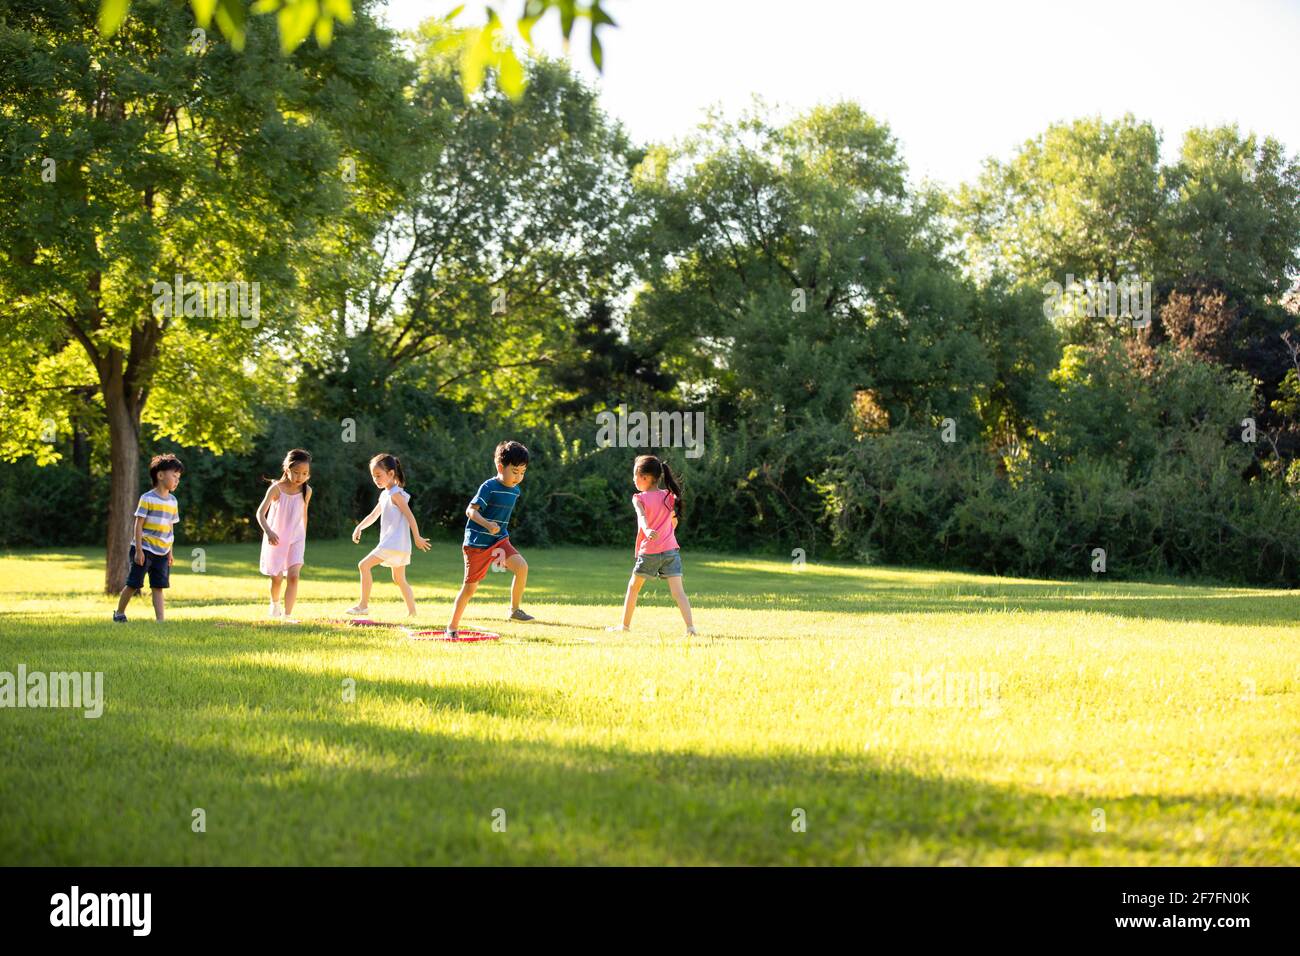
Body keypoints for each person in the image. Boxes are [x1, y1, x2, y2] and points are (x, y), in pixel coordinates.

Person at [446, 440, 533, 639]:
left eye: (522, 472)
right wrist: (487, 524)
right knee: (469, 589)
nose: (518, 477)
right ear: (500, 467)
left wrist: (497, 529)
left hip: (499, 541)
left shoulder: (515, 490)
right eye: (515, 472)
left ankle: (514, 610)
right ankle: (451, 628)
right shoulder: (489, 487)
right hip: (477, 544)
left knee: (522, 567)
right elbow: (470, 511)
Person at [607, 454, 696, 636]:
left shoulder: (639, 498)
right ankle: (691, 628)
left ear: (645, 477)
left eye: (635, 475)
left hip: (650, 552)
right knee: (679, 592)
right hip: (671, 551)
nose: (633, 479)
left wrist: (647, 531)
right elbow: (673, 522)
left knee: (633, 587)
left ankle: (624, 626)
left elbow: (642, 518)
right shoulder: (669, 496)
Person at [347, 453, 430, 618]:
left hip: (393, 543)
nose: (375, 479)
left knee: (363, 566)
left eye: (379, 475)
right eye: (373, 476)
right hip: (398, 545)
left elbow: (410, 516)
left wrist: (417, 537)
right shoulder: (386, 494)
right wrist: (359, 527)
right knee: (399, 579)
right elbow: (373, 515)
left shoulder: (395, 494)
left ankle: (363, 606)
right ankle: (413, 613)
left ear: (391, 474)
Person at [113, 453, 184, 623]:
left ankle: (160, 621)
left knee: (158, 586)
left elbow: (170, 528)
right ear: (160, 475)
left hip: (162, 551)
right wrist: (138, 550)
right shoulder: (147, 498)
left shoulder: (173, 501)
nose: (176, 480)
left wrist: (170, 552)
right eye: (173, 476)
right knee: (134, 583)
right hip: (144, 549)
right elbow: (138, 525)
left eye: (179, 477)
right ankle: (119, 613)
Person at [255, 448, 312, 621]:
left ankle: (287, 617)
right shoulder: (276, 489)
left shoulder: (306, 490)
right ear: (287, 470)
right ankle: (275, 603)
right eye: (296, 473)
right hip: (276, 538)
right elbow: (260, 513)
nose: (300, 477)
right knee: (277, 578)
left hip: (296, 539)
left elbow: (304, 514)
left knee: (294, 577)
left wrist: (303, 536)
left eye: (304, 473)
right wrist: (269, 531)